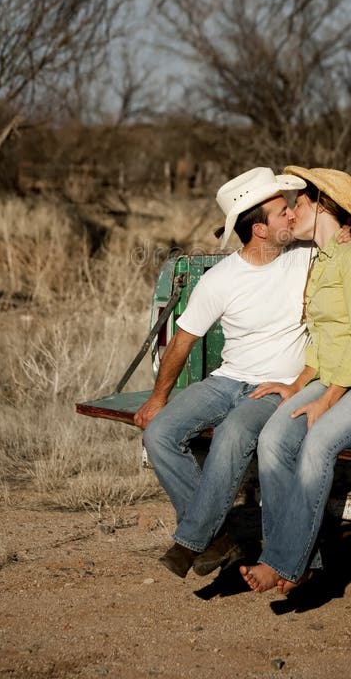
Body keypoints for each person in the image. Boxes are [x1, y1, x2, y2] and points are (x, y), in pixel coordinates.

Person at [240, 167, 351, 594]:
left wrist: (327, 401)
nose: (292, 211)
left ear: (323, 204)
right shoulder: (324, 260)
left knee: (318, 440)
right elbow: (322, 341)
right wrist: (299, 385)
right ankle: (303, 560)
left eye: (299, 202)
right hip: (342, 379)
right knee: (273, 439)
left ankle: (282, 560)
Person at [134, 166, 310, 579]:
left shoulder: (306, 258)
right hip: (227, 380)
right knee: (159, 433)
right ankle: (218, 540)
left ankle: (191, 540)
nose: (290, 214)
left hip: (274, 388)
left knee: (233, 432)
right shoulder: (220, 279)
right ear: (260, 230)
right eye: (280, 210)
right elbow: (182, 340)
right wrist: (158, 398)